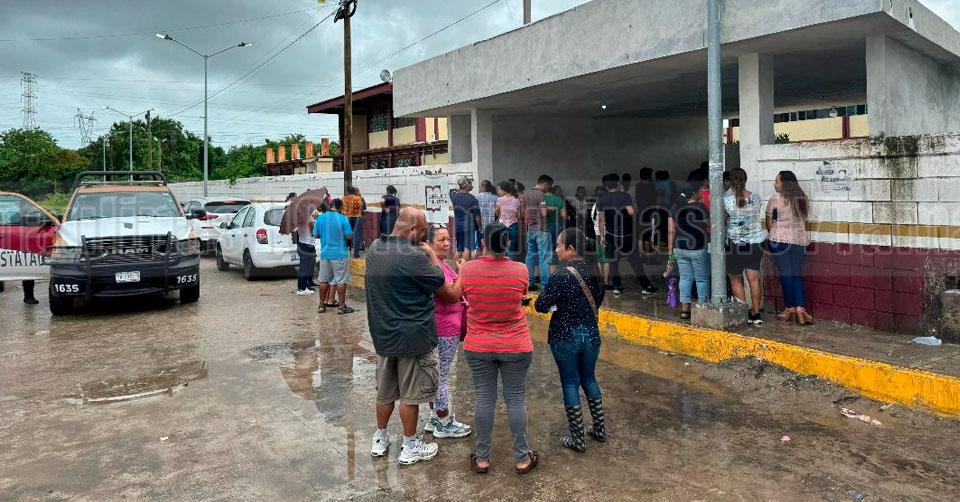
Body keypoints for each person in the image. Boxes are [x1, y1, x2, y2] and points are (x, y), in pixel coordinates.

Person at [365, 208, 446, 465]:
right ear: (412, 230)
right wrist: (432, 254)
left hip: (383, 335)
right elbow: (439, 279)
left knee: (385, 391)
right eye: (422, 232)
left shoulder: (376, 247)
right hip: (412, 338)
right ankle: (410, 445)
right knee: (410, 396)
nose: (423, 238)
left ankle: (380, 438)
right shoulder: (413, 256)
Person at [460, 223, 539, 475]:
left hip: (479, 345)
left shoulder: (468, 270)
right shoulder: (520, 270)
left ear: (483, 242)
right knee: (516, 399)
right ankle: (522, 458)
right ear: (507, 243)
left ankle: (482, 459)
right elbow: (521, 296)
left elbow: (463, 295)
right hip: (515, 343)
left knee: (485, 399)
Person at [535, 228, 606, 453]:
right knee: (590, 380)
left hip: (566, 337)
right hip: (591, 336)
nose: (556, 250)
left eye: (558, 245)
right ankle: (599, 429)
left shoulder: (561, 274)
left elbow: (541, 305)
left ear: (571, 249)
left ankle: (577, 439)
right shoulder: (595, 271)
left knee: (570, 383)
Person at [422, 225, 473, 438]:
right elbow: (451, 295)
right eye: (441, 240)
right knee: (441, 377)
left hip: (446, 327)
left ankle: (435, 418)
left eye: (448, 239)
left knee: (437, 374)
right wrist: (463, 273)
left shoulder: (440, 264)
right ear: (429, 245)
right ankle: (443, 421)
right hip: (443, 329)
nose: (447, 243)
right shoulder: (436, 267)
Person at [596, 173, 658, 296]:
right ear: (618, 183)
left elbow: (601, 220)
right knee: (635, 261)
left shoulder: (602, 199)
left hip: (610, 235)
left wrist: (602, 236)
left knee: (613, 262)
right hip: (626, 235)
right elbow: (631, 212)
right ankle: (645, 286)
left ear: (606, 186)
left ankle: (617, 287)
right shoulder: (625, 196)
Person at [767, 171, 813, 325]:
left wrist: (774, 232)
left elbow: (768, 220)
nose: (775, 184)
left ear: (784, 184)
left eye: (777, 181)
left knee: (786, 275)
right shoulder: (802, 199)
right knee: (796, 274)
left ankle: (789, 308)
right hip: (799, 241)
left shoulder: (775, 198)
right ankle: (800, 308)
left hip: (780, 241)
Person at [724, 167, 767, 325]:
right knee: (754, 279)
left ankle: (743, 313)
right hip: (755, 244)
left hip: (735, 244)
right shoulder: (756, 198)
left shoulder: (726, 199)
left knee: (735, 278)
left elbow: (725, 218)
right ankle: (756, 314)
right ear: (745, 180)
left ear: (730, 181)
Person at [667, 173, 711, 320]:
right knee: (701, 279)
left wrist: (670, 252)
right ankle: (702, 308)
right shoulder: (700, 207)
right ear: (694, 193)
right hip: (698, 248)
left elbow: (671, 230)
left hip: (679, 247)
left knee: (685, 278)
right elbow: (709, 225)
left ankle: (685, 310)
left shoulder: (676, 207)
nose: (701, 193)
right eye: (699, 191)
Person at [313, 199, 354, 314]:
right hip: (340, 254)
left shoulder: (320, 218)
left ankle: (321, 306)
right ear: (340, 207)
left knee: (323, 280)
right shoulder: (343, 219)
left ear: (330, 206)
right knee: (341, 281)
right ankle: (341, 307)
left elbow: (315, 234)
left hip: (325, 253)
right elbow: (349, 236)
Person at [521, 175, 556, 290]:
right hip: (541, 230)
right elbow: (544, 213)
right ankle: (546, 284)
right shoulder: (540, 194)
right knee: (544, 257)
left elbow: (522, 213)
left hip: (530, 229)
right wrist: (551, 209)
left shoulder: (526, 194)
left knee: (530, 256)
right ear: (545, 184)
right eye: (549, 186)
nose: (548, 189)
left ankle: (530, 282)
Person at [451, 177, 482, 261]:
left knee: (459, 249)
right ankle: (465, 269)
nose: (472, 186)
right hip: (469, 226)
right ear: (466, 186)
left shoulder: (453, 196)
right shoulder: (473, 199)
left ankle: (455, 271)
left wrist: (460, 187)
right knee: (467, 249)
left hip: (458, 226)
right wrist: (479, 227)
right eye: (470, 184)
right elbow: (477, 216)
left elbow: (452, 190)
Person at [496, 181, 522, 262]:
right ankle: (511, 265)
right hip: (513, 225)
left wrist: (501, 215)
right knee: (513, 248)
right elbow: (519, 216)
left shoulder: (500, 200)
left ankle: (502, 265)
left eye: (499, 190)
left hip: (502, 225)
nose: (498, 192)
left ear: (504, 190)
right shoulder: (516, 200)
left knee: (501, 246)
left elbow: (497, 211)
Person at [295, 215, 318, 296]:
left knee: (303, 267)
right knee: (306, 267)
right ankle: (303, 289)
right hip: (308, 244)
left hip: (301, 243)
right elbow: (313, 231)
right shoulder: (307, 217)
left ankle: (302, 287)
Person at [342, 187, 365, 258]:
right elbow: (361, 207)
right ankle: (356, 253)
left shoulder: (343, 198)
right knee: (357, 235)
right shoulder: (358, 198)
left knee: (346, 234)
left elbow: (341, 208)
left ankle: (345, 250)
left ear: (348, 192)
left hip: (347, 217)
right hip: (357, 217)